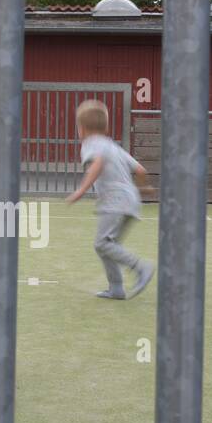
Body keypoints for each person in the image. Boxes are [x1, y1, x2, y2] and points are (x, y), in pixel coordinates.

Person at [65, 99, 155, 300]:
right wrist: (143, 188)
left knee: (102, 244)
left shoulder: (90, 144)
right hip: (131, 200)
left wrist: (81, 190)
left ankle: (141, 267)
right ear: (105, 127)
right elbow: (140, 170)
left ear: (82, 129)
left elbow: (98, 163)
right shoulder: (113, 146)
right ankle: (116, 288)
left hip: (115, 202)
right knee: (108, 245)